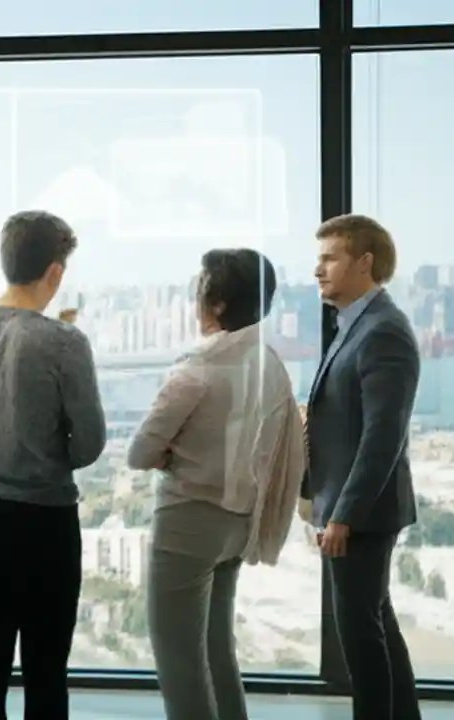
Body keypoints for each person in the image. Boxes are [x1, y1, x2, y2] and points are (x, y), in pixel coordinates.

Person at [0, 210, 106, 720]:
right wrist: (55, 455)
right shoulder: (64, 342)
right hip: (44, 523)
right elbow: (90, 444)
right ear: (55, 272)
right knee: (45, 669)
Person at [127, 249, 305, 720]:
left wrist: (170, 453)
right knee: (216, 651)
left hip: (188, 524)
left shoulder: (197, 371)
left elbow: (139, 452)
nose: (195, 296)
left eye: (201, 286)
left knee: (179, 660)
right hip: (240, 522)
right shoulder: (271, 366)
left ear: (219, 303)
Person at [304, 214, 422, 720]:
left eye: (330, 258)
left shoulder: (383, 332)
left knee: (360, 637)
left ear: (365, 263)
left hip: (363, 513)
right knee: (377, 626)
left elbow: (382, 437)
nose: (317, 270)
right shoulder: (356, 325)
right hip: (352, 505)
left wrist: (343, 516)